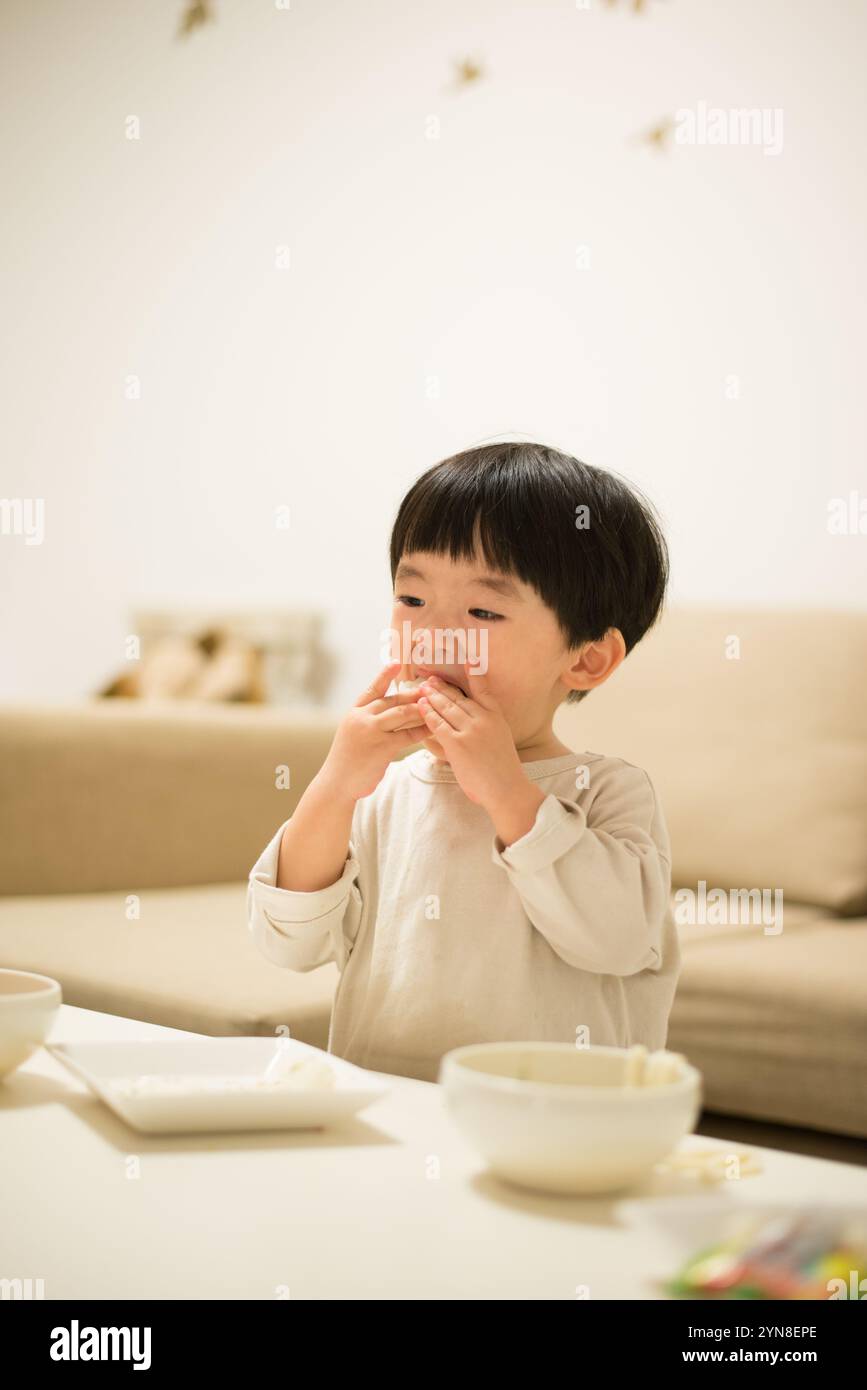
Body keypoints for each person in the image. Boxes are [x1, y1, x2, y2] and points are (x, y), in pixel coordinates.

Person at [247, 441, 681, 1082]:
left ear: (586, 658)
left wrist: (507, 792)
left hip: (551, 1125)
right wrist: (336, 786)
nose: (432, 635)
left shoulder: (608, 792)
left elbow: (615, 939)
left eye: (483, 611)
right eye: (412, 601)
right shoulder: (385, 791)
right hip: (388, 1108)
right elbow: (287, 942)